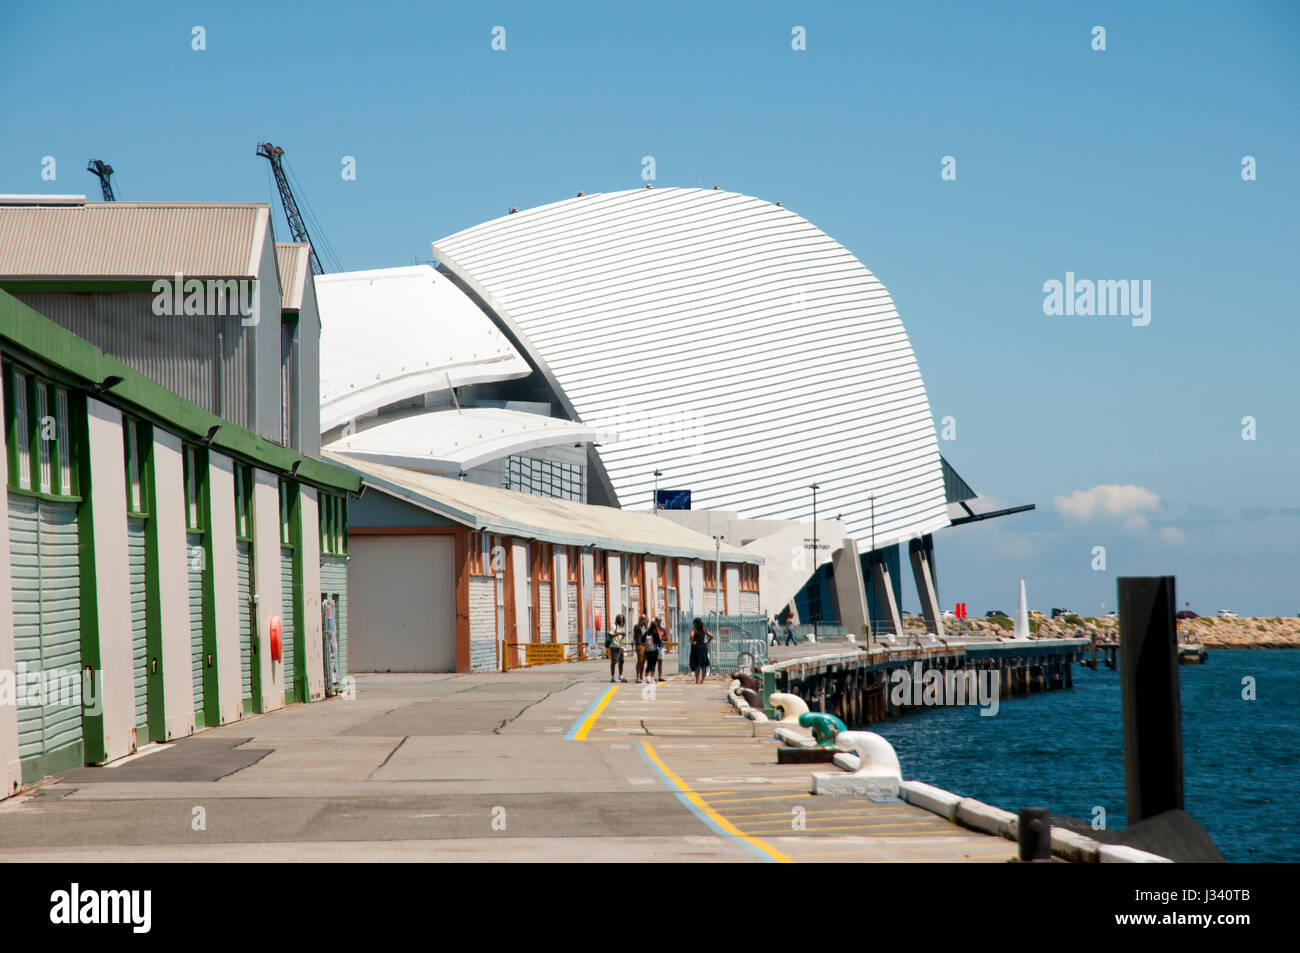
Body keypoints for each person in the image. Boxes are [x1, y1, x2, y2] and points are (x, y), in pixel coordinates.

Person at [689, 617, 713, 684]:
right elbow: (711, 636)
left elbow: (691, 635)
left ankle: (697, 680)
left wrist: (692, 641)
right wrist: (707, 642)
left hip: (695, 647)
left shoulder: (694, 630)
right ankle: (702, 680)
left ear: (695, 624)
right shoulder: (704, 630)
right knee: (703, 664)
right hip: (703, 646)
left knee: (696, 663)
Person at [608, 614, 627, 683]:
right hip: (614, 646)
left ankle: (620, 676)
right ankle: (612, 677)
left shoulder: (621, 627)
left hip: (620, 646)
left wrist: (623, 635)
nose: (621, 620)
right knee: (614, 662)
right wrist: (618, 633)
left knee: (621, 661)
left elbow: (621, 637)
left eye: (622, 619)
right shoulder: (613, 626)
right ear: (617, 619)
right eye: (620, 619)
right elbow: (610, 635)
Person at [649, 616, 667, 680]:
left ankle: (660, 676)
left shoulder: (662, 629)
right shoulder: (652, 629)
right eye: (656, 620)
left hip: (660, 647)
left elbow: (665, 638)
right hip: (653, 647)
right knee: (653, 662)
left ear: (660, 621)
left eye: (659, 620)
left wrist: (662, 638)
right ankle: (652, 677)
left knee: (660, 663)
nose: (658, 621)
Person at [632, 614, 648, 682]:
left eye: (644, 619)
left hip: (645, 645)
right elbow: (636, 634)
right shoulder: (637, 626)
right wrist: (642, 622)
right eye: (642, 619)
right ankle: (638, 676)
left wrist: (646, 624)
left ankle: (641, 676)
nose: (643, 620)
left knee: (643, 662)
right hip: (639, 645)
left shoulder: (644, 626)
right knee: (639, 661)